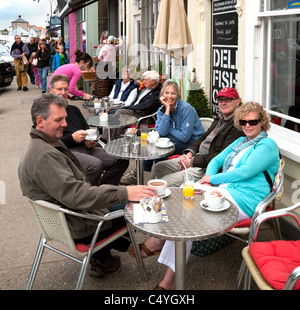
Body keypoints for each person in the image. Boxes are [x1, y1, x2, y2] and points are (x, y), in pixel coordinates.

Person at [131, 101, 280, 290]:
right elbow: (217, 159)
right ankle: (162, 250)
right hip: (223, 190)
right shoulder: (241, 141)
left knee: (189, 215)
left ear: (262, 122)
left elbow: (245, 172)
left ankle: (167, 278)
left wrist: (213, 178)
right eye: (243, 122)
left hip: (245, 199)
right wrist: (208, 180)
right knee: (181, 204)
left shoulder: (267, 145)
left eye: (253, 121)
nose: (247, 125)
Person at [18, 93, 159, 278]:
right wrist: (125, 191)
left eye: (64, 119)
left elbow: (74, 192)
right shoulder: (45, 155)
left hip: (66, 220)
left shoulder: (39, 145)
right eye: (58, 119)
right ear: (40, 121)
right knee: (142, 205)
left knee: (126, 200)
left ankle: (109, 254)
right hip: (79, 225)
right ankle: (139, 247)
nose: (65, 124)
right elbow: (78, 195)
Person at [49, 75, 129, 186]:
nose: (63, 92)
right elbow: (49, 143)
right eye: (59, 89)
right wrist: (72, 138)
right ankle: (87, 195)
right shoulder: (47, 114)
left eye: (66, 89)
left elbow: (87, 130)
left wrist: (91, 140)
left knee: (121, 158)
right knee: (95, 165)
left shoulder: (74, 110)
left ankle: (105, 191)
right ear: (51, 90)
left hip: (86, 148)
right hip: (66, 151)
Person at [154, 87, 243, 186]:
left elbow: (221, 157)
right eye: (220, 100)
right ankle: (180, 189)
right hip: (197, 157)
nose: (223, 103)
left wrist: (192, 162)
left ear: (237, 101)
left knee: (166, 182)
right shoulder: (220, 118)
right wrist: (190, 152)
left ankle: (182, 190)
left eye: (228, 100)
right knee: (159, 167)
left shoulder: (237, 125)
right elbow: (203, 137)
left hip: (206, 167)